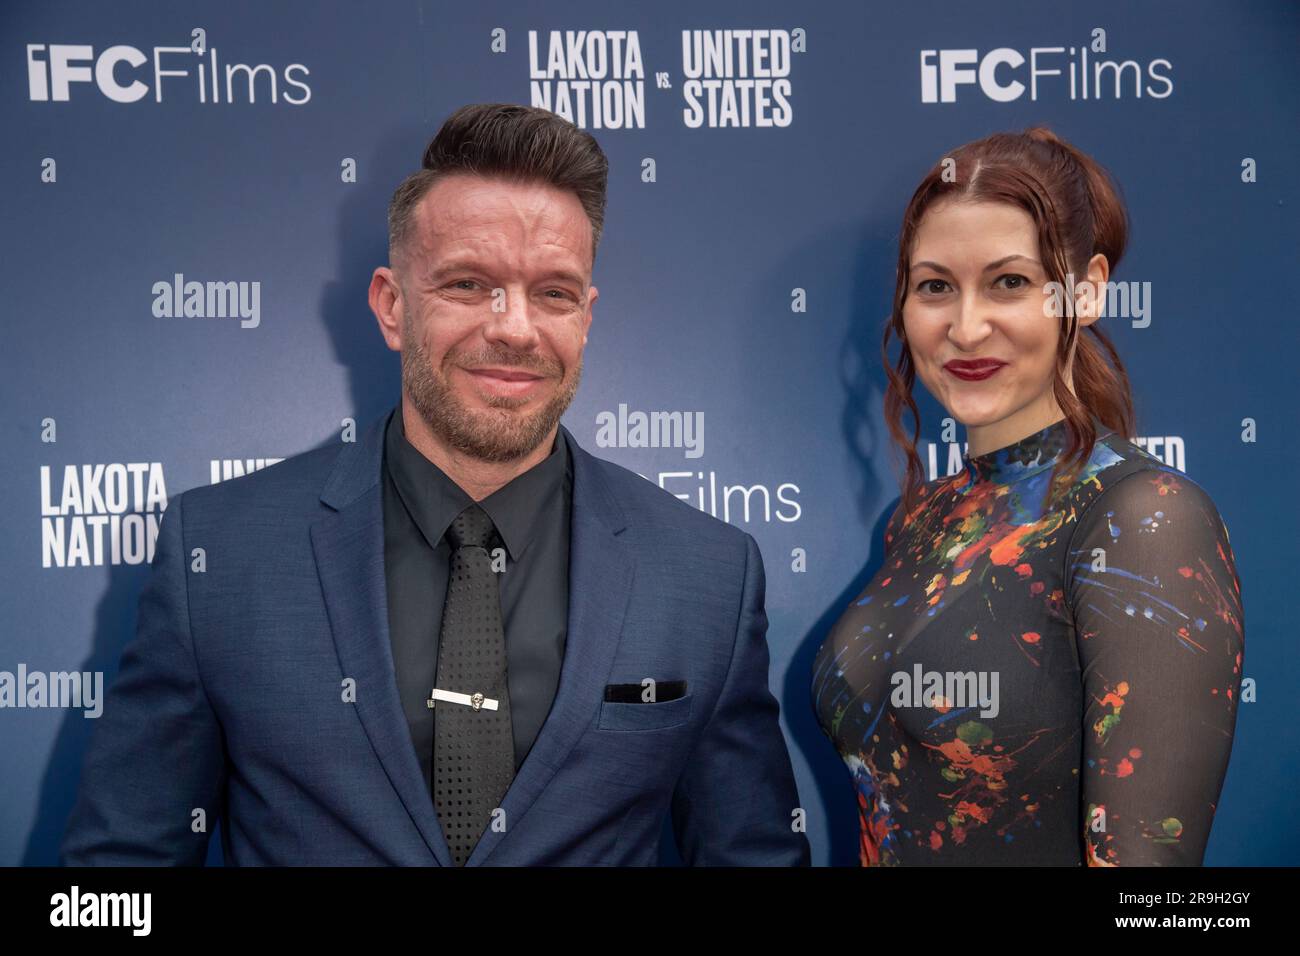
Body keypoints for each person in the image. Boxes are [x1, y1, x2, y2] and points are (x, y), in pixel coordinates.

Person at [62, 103, 809, 867]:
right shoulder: (218, 555)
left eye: (552, 293)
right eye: (467, 283)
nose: (514, 328)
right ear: (392, 306)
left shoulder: (705, 574)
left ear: (585, 319)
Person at [812, 127, 1244, 866]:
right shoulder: (919, 519)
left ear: (1087, 288)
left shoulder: (1142, 517)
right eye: (935, 285)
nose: (965, 326)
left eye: (1009, 282)